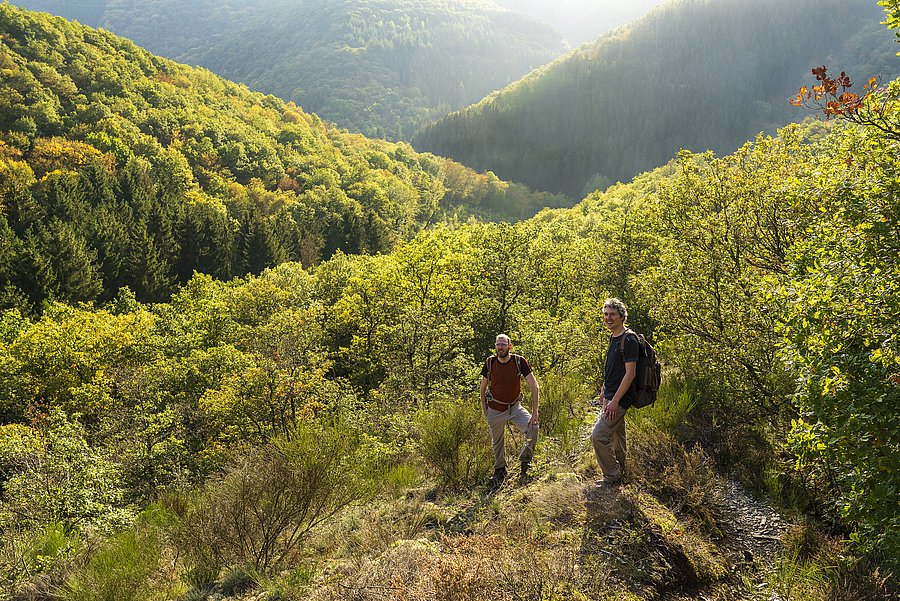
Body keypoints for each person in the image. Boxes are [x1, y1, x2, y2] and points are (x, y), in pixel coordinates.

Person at [480, 334, 540, 486]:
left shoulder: (519, 361)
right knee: (497, 443)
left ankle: (525, 462)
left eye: (503, 345)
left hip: (514, 407)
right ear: (495, 346)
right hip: (495, 409)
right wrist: (485, 411)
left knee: (533, 427)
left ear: (510, 346)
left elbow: (534, 386)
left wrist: (535, 412)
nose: (500, 347)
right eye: (498, 345)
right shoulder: (490, 363)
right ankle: (500, 470)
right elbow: (482, 388)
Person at [590, 298, 638, 486]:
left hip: (620, 399)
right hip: (610, 396)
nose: (608, 318)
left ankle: (612, 476)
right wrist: (604, 389)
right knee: (617, 437)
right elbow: (613, 369)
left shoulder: (629, 339)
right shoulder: (614, 337)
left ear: (622, 316)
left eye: (612, 314)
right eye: (605, 314)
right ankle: (622, 470)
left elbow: (630, 373)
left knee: (598, 436)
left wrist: (615, 400)